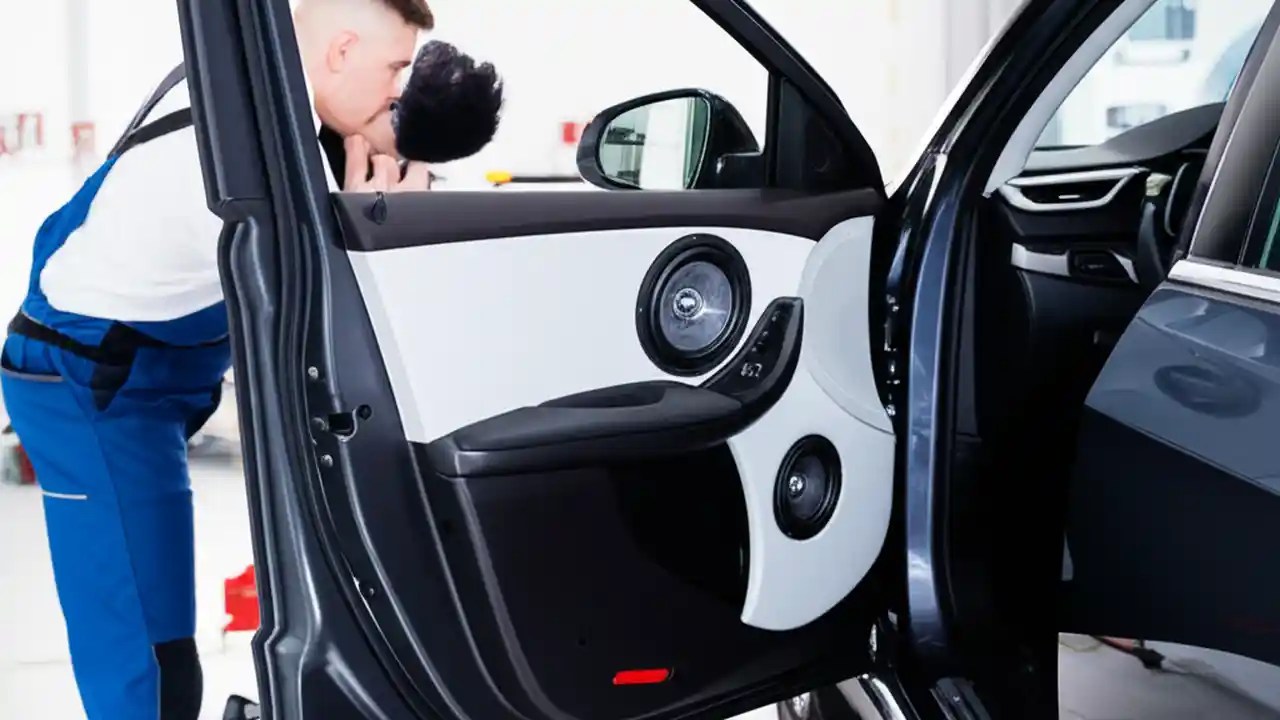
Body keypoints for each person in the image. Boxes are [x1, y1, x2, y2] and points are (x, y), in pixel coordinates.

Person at [0, 1, 433, 719]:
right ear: (342, 50)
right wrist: (374, 232)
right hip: (85, 385)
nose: (398, 91)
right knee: (141, 644)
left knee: (165, 635)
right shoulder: (240, 153)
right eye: (395, 68)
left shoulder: (262, 94)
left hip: (151, 369)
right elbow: (326, 326)